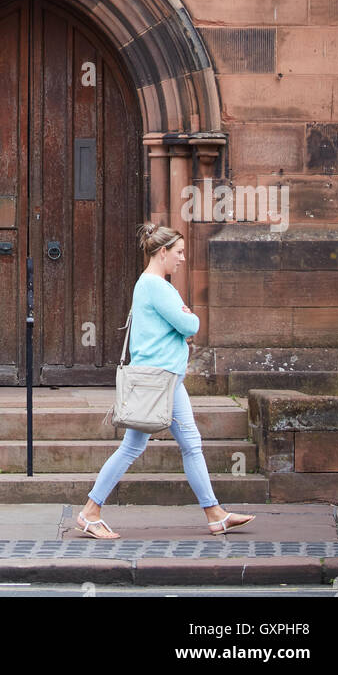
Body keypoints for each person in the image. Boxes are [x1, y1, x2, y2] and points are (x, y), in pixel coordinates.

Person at [75, 221, 256, 539]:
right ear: (162, 252)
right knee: (134, 448)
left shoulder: (148, 284)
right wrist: (187, 319)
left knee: (190, 444)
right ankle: (90, 511)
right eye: (179, 252)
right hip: (158, 382)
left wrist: (181, 324)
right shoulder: (156, 286)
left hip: (165, 380)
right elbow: (190, 325)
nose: (183, 258)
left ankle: (215, 514)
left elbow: (171, 327)